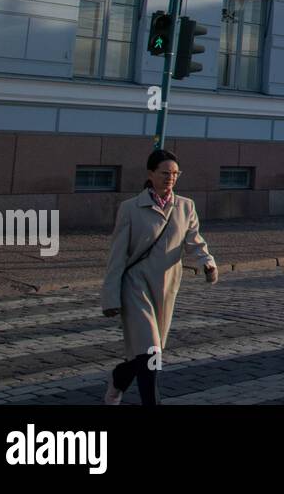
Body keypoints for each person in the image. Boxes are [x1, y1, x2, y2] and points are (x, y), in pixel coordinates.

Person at [101, 148, 217, 405]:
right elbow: (117, 256)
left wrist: (207, 263)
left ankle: (119, 377)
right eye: (165, 173)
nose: (170, 178)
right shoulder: (130, 208)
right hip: (136, 287)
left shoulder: (186, 207)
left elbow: (195, 242)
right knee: (151, 353)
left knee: (146, 355)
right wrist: (110, 297)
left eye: (175, 174)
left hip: (165, 290)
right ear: (151, 174)